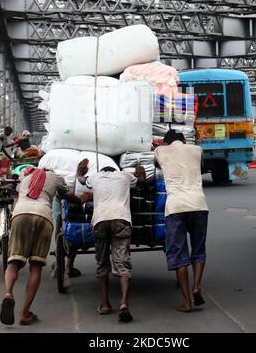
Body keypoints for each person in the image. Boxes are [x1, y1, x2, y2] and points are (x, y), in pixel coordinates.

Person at [0, 167, 88, 326]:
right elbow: (68, 196)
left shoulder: (25, 177)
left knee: (13, 263)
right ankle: (25, 314)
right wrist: (81, 199)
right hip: (43, 216)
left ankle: (8, 293)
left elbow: (18, 190)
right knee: (36, 266)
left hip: (20, 214)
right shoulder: (57, 178)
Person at [77, 160, 145, 323]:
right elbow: (141, 182)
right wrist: (140, 172)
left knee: (102, 262)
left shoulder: (95, 177)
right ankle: (124, 303)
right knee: (122, 262)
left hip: (100, 219)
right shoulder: (124, 176)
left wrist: (79, 171)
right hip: (121, 218)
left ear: (103, 172)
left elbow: (81, 180)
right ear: (115, 171)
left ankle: (105, 303)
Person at [154, 129, 209, 313]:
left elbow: (156, 164)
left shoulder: (161, 151)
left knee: (180, 255)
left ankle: (187, 303)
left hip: (176, 207)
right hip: (199, 205)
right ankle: (197, 286)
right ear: (184, 140)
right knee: (198, 249)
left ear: (166, 142)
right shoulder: (197, 149)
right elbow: (200, 167)